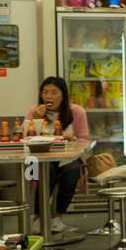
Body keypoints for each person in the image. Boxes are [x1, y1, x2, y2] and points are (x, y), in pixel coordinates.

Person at [26, 76, 90, 233]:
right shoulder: (34, 111)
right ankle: (38, 217)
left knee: (72, 172)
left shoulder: (76, 112)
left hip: (68, 157)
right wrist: (35, 119)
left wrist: (73, 140)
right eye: (45, 92)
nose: (48, 96)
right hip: (37, 160)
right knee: (45, 171)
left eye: (54, 92)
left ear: (63, 95)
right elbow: (25, 138)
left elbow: (84, 139)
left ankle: (57, 217)